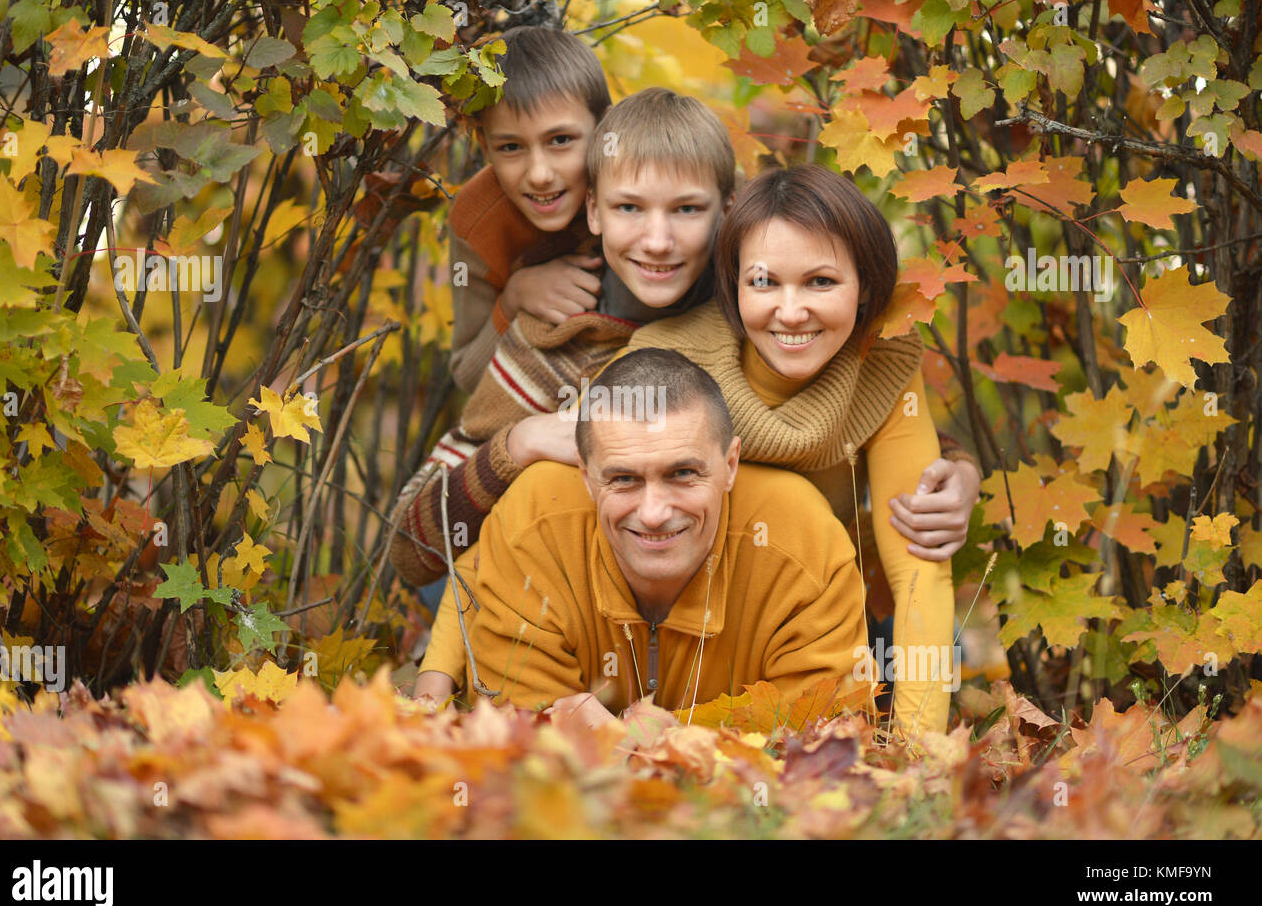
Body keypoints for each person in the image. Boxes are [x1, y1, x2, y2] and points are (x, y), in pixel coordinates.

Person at [623, 164, 979, 736]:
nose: (790, 312)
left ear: (865, 286)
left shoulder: (881, 362)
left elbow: (919, 562)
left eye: (821, 282)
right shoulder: (667, 365)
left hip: (819, 627)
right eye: (764, 282)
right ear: (733, 285)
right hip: (690, 633)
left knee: (939, 660)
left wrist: (918, 752)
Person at [391, 87, 734, 586]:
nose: (658, 242)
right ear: (593, 210)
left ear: (725, 210)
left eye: (686, 210)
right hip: (565, 623)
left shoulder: (758, 316)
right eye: (629, 209)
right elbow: (411, 550)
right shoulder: (555, 343)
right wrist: (521, 442)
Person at [425, 349, 868, 721]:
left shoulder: (801, 538)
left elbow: (826, 735)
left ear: (730, 465)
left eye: (682, 473)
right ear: (585, 475)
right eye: (623, 479)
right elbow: (520, 725)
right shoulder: (535, 521)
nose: (654, 513)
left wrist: (643, 739)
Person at [447, 25, 610, 393]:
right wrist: (514, 299)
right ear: (485, 148)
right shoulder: (475, 224)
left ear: (604, 128)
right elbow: (467, 376)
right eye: (511, 148)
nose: (539, 175)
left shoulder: (644, 176)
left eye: (561, 140)